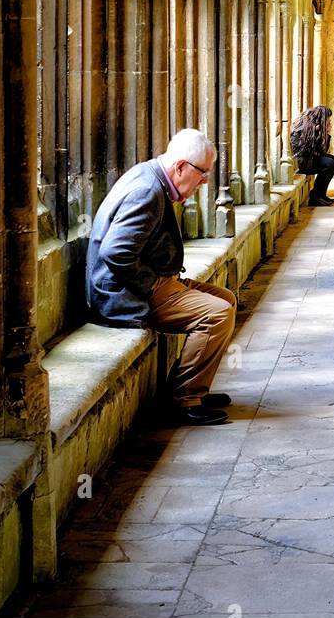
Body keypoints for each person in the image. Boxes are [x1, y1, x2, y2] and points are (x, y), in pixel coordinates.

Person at [85, 128, 236, 426]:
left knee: (226, 299)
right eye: (202, 173)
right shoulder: (147, 190)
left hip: (149, 280)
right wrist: (152, 285)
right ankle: (184, 399)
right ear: (180, 167)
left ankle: (195, 387)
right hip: (123, 293)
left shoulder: (151, 177)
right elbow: (116, 251)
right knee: (217, 314)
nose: (205, 181)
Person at [290, 104, 334, 206]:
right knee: (330, 162)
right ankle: (316, 197)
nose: (329, 123)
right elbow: (304, 151)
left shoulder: (314, 127)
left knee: (332, 159)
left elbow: (322, 151)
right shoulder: (306, 128)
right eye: (327, 121)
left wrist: (326, 134)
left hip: (307, 159)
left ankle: (320, 195)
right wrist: (322, 133)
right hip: (301, 162)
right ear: (321, 119)